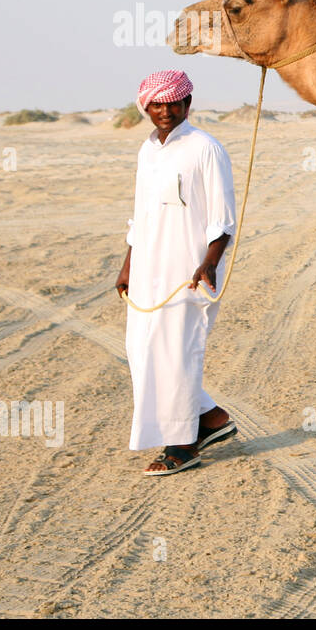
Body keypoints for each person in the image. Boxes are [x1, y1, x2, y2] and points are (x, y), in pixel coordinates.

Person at [115, 69, 238, 476]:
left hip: (188, 270)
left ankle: (183, 445)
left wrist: (209, 261)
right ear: (145, 107)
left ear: (187, 104)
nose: (164, 110)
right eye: (156, 104)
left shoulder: (206, 148)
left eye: (172, 102)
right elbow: (140, 216)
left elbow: (222, 219)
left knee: (177, 354)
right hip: (148, 267)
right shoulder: (147, 151)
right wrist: (128, 265)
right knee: (143, 350)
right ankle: (211, 417)